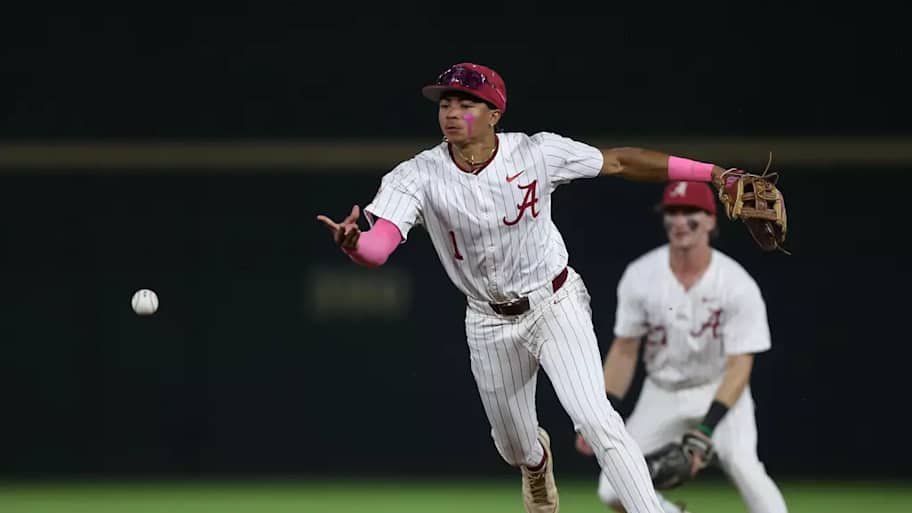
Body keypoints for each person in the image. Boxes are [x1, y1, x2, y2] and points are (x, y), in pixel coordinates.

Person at [316, 62, 735, 513]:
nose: (452, 111)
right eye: (446, 103)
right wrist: (356, 245)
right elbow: (380, 247)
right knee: (513, 446)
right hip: (488, 321)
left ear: (494, 112)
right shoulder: (417, 175)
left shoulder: (537, 153)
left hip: (555, 302)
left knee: (597, 419)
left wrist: (711, 174)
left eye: (467, 103)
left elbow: (617, 161)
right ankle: (536, 463)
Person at [574, 180, 789, 513]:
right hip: (662, 392)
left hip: (720, 389)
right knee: (613, 488)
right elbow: (625, 350)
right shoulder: (641, 275)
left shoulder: (736, 283)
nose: (679, 220)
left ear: (711, 221)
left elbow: (740, 365)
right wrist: (602, 413)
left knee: (749, 472)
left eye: (690, 211)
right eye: (672, 212)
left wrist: (708, 427)